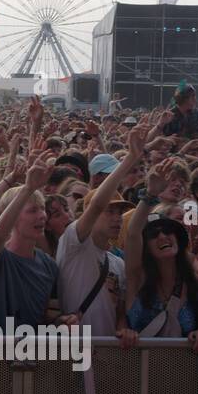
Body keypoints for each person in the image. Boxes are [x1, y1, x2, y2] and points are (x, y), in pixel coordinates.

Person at [55, 124, 147, 336]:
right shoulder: (73, 243)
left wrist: (123, 330)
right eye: (110, 212)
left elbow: (120, 312)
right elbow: (96, 204)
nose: (118, 219)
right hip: (74, 352)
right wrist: (130, 159)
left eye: (120, 213)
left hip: (108, 357)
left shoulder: (118, 263)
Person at [120, 158, 198, 349]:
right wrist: (151, 193)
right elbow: (134, 232)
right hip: (137, 372)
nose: (162, 236)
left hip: (181, 373)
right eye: (154, 233)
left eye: (170, 231)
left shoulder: (194, 281)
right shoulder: (137, 277)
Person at [0, 153, 59, 331]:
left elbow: (46, 314)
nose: (41, 216)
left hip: (33, 353)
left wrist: (64, 320)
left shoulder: (49, 265)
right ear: (12, 216)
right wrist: (28, 188)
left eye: (43, 209)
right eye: (32, 211)